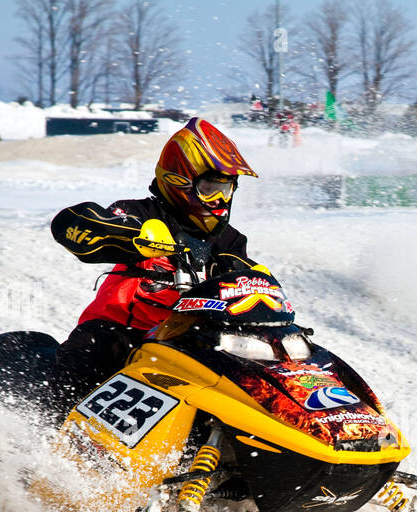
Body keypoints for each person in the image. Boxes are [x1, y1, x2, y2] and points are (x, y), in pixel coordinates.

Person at [46, 116, 258, 409]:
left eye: (227, 188)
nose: (221, 199)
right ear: (179, 180)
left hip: (190, 340)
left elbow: (246, 276)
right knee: (95, 347)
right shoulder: (141, 213)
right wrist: (126, 234)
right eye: (211, 188)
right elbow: (76, 225)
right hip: (125, 332)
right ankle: (51, 431)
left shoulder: (229, 240)